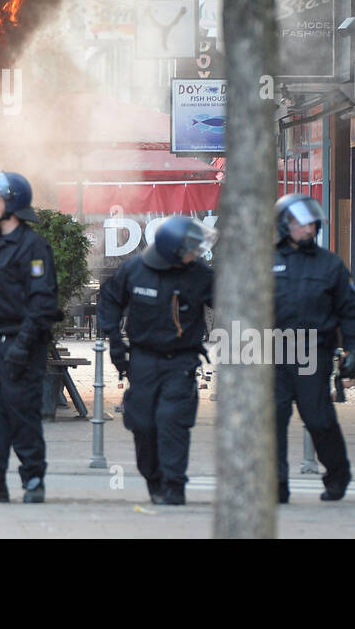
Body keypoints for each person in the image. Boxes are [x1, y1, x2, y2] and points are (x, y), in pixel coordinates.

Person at [98, 215, 216, 505]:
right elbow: (110, 300)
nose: (196, 254)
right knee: (143, 424)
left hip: (182, 360)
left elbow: (232, 300)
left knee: (172, 421)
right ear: (172, 250)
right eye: (191, 249)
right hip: (143, 359)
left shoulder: (199, 273)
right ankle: (153, 478)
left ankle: (174, 486)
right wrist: (114, 341)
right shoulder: (135, 270)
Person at [0, 171, 60, 503]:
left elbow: (42, 302)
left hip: (22, 344)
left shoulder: (33, 247)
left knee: (23, 414)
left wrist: (24, 344)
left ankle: (33, 480)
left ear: (12, 205)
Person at [271, 193, 355, 504]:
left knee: (319, 419)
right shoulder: (264, 260)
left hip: (313, 351)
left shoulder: (330, 264)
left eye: (312, 224)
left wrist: (353, 350)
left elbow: (349, 310)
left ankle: (338, 475)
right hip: (269, 351)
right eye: (302, 224)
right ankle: (275, 485)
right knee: (272, 421)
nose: (309, 230)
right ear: (285, 225)